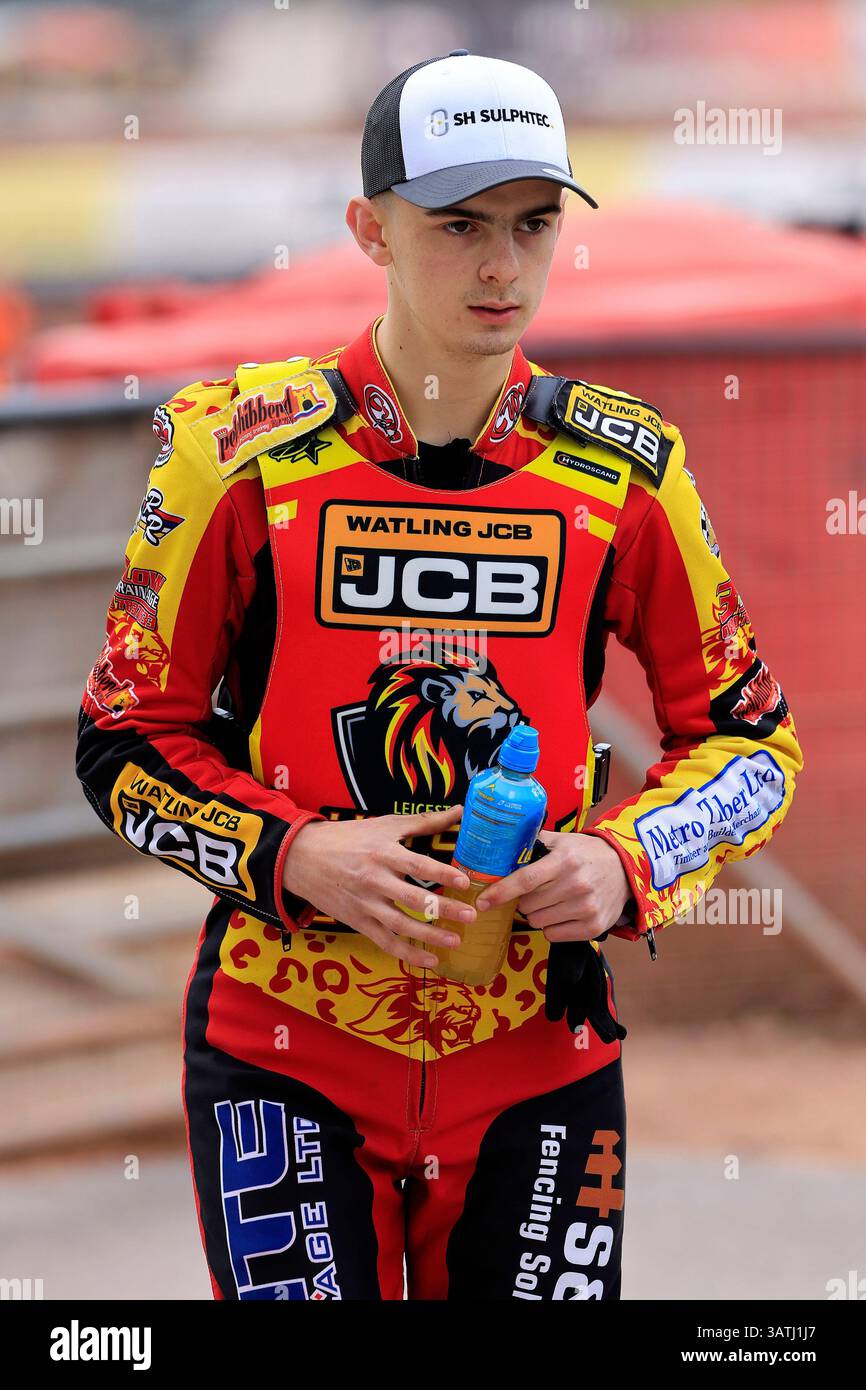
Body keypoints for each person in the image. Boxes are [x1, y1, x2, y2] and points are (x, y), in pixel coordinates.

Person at [76, 50, 803, 1301]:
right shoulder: (235, 452)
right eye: (457, 224)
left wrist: (625, 861)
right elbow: (122, 744)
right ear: (369, 229)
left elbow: (753, 744)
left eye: (531, 225)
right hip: (285, 1044)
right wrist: (299, 854)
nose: (499, 267)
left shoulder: (626, 469)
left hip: (538, 1052)